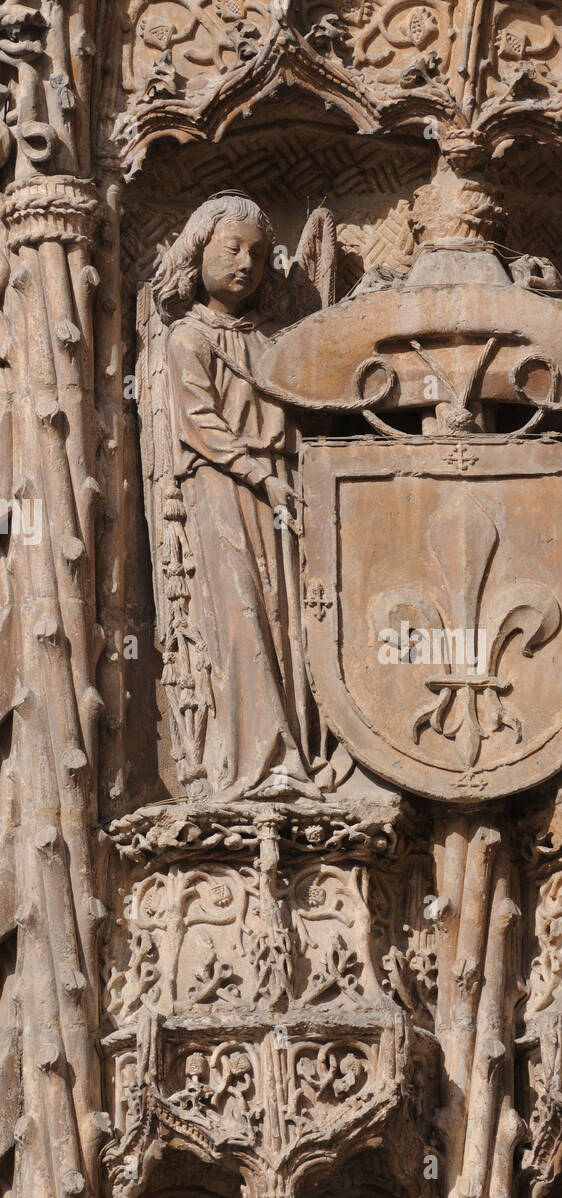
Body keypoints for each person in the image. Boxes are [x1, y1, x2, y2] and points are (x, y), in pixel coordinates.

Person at [153, 193, 316, 800]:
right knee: (243, 615)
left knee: (287, 617)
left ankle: (298, 748)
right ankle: (257, 758)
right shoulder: (187, 339)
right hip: (226, 487)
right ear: (198, 253)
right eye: (232, 249)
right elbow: (199, 422)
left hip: (282, 487)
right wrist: (261, 474)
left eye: (259, 253)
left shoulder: (270, 340)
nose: (246, 262)